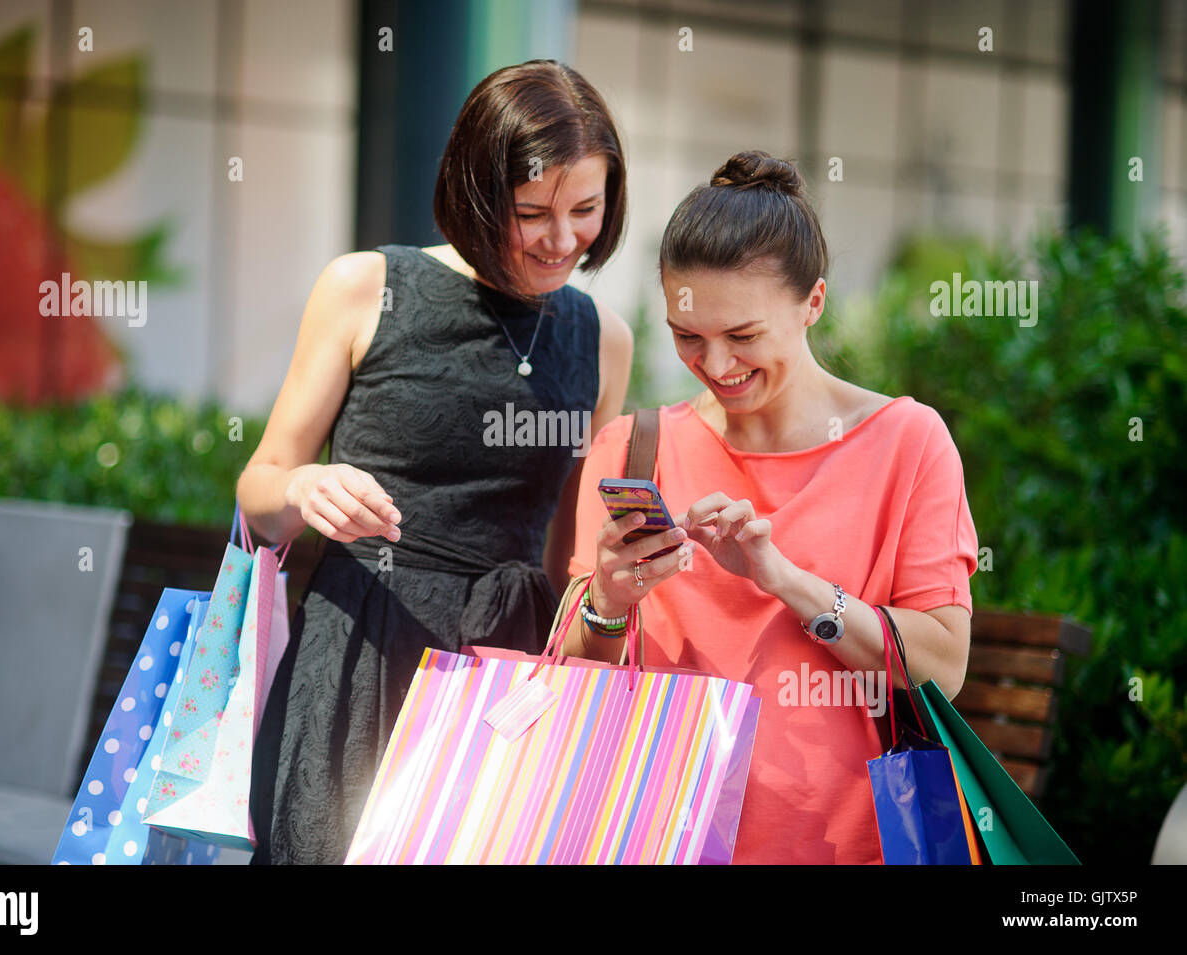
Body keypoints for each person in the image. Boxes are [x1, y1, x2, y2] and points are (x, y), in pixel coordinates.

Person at [236, 60, 633, 864]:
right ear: (479, 194)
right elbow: (259, 488)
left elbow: (567, 552)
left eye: (586, 211)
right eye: (532, 213)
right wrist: (305, 486)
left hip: (507, 673)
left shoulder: (603, 338)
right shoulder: (364, 287)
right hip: (360, 649)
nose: (563, 240)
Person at [564, 150, 978, 864]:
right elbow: (575, 668)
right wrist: (606, 597)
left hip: (856, 844)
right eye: (688, 335)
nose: (717, 364)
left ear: (813, 303)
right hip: (662, 835)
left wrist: (785, 579)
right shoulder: (631, 449)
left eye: (744, 336)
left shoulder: (909, 442)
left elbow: (942, 663)